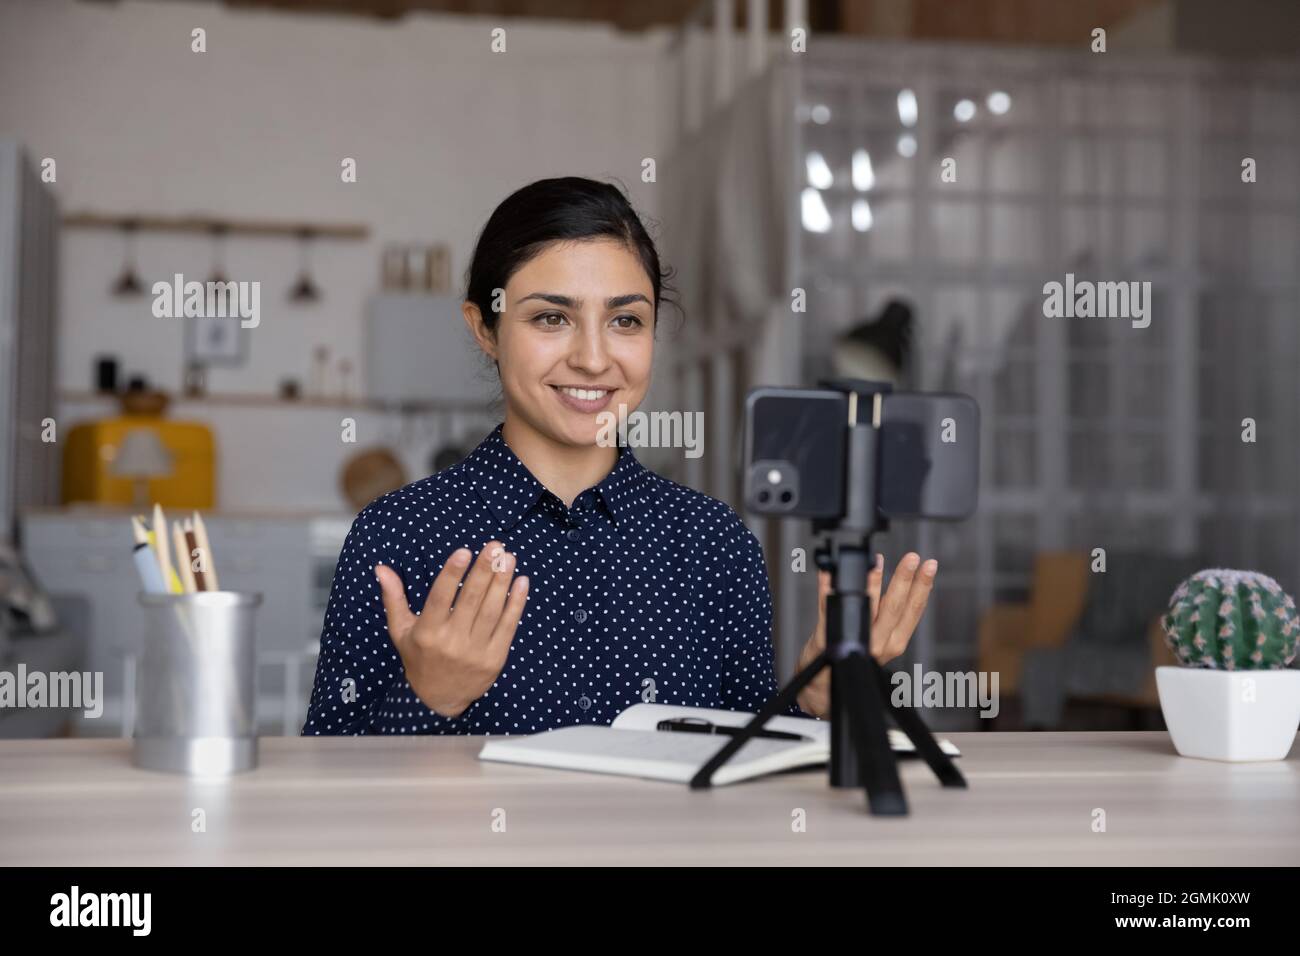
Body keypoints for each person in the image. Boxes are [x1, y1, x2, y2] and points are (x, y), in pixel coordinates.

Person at [302, 176, 938, 735]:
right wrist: (429, 699)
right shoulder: (397, 534)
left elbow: (750, 775)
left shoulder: (715, 544)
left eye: (625, 321)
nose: (593, 358)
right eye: (551, 318)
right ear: (484, 328)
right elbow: (325, 793)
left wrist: (819, 698)